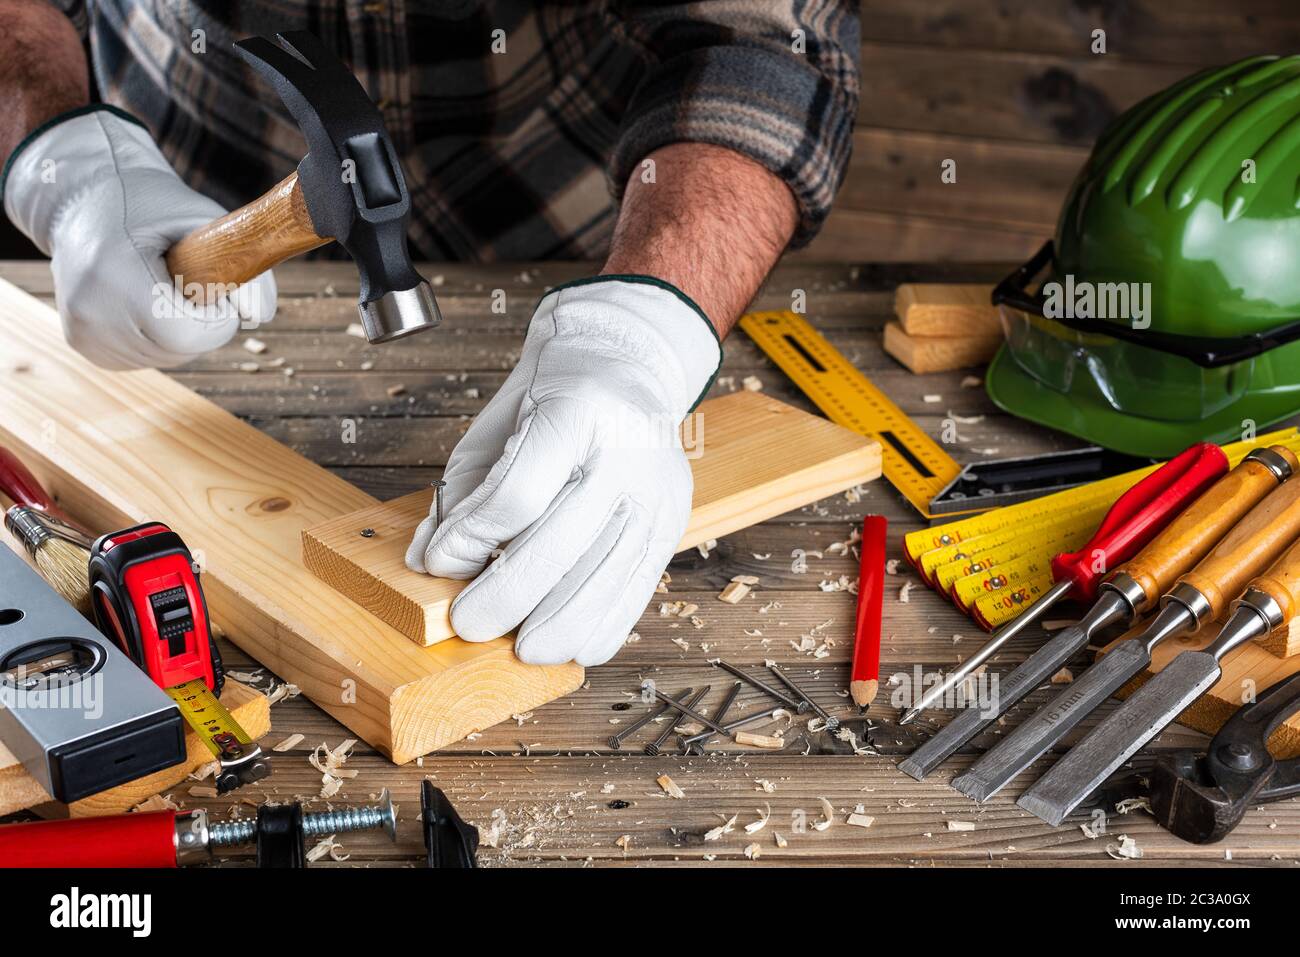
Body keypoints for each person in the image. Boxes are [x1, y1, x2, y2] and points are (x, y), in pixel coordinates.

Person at [0, 0, 860, 666]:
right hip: (177, 155)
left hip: (570, 202)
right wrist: (66, 166)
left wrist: (650, 321)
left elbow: (765, 40)